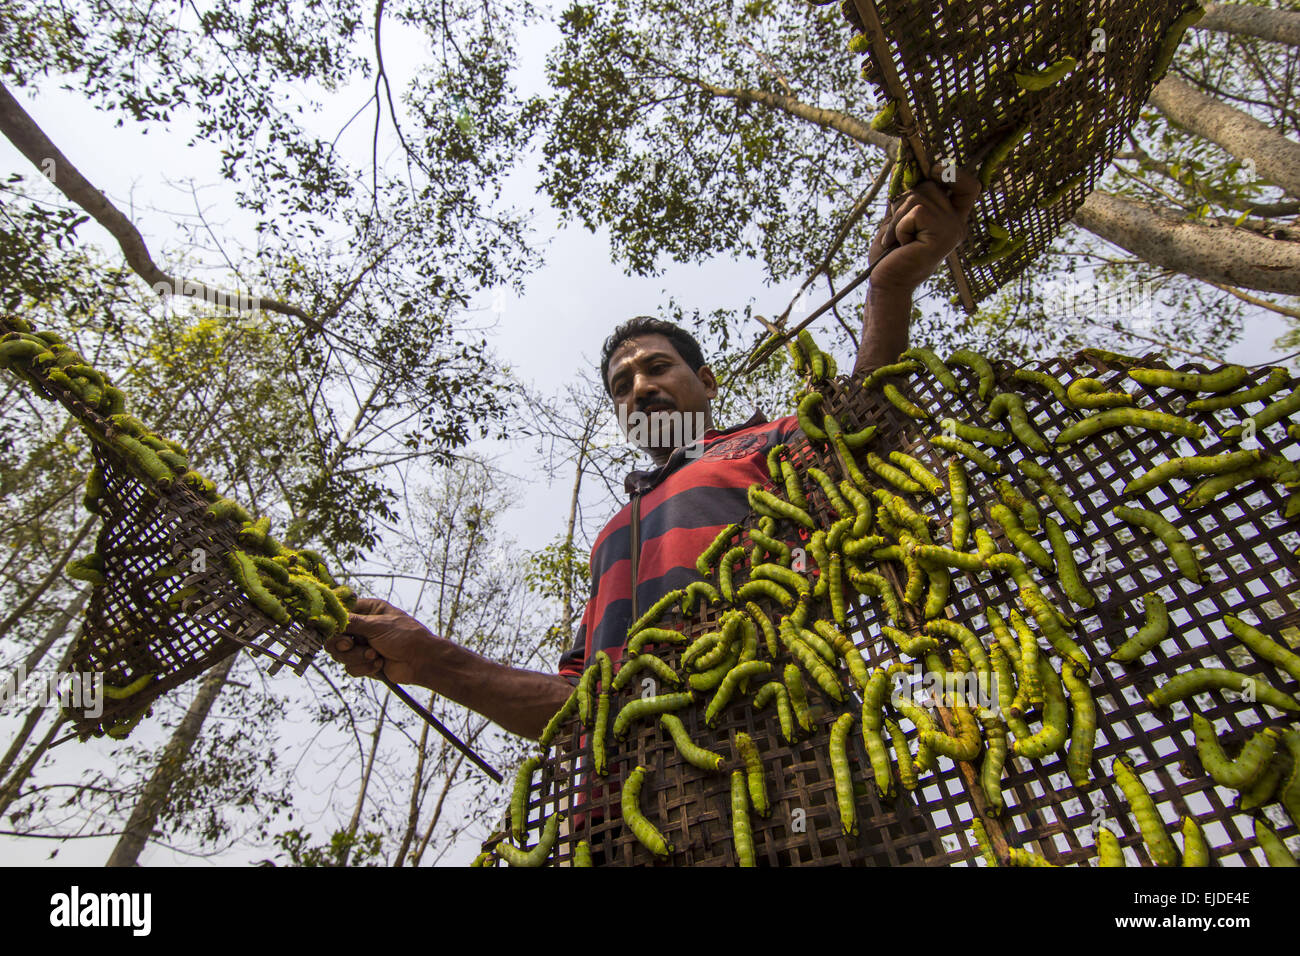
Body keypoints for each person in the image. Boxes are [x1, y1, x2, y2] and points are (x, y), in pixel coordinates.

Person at [326, 164, 981, 739]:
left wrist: (888, 293)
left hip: (792, 761)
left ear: (707, 381)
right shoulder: (613, 538)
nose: (640, 386)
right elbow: (575, 705)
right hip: (619, 824)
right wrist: (429, 658)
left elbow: (863, 440)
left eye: (657, 367)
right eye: (622, 385)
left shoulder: (774, 442)